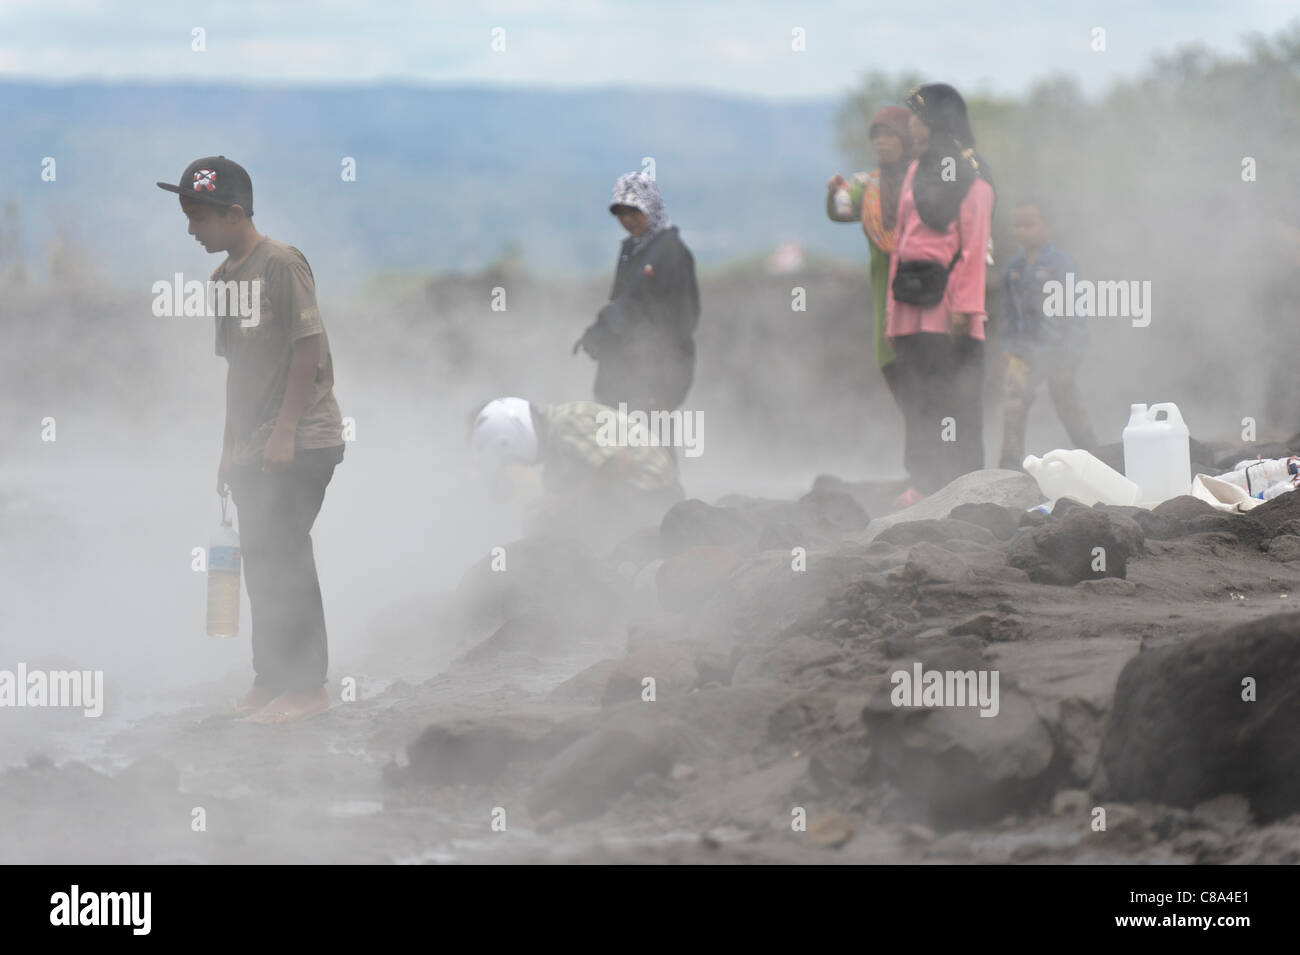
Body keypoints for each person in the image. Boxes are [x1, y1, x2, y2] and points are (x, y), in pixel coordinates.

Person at [157, 156, 344, 725]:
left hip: (304, 437)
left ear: (234, 213)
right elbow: (237, 370)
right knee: (261, 560)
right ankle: (272, 679)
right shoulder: (223, 280)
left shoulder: (281, 265)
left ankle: (308, 687)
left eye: (199, 217)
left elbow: (307, 348)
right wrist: (228, 446)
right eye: (187, 216)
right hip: (255, 445)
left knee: (285, 554)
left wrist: (285, 431)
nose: (191, 229)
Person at [886, 84, 995, 508]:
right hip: (910, 301)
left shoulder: (971, 174)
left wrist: (964, 308)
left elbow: (973, 247)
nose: (909, 125)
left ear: (933, 121)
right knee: (917, 396)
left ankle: (961, 483)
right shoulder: (918, 169)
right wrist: (891, 310)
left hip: (947, 306)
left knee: (955, 398)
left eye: (915, 117)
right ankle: (924, 482)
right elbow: (902, 239)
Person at [471, 397, 683, 550]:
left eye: (514, 458)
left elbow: (621, 464)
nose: (521, 464)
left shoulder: (566, 423)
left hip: (652, 497)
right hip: (644, 496)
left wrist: (566, 503)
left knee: (558, 531)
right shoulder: (557, 437)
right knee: (550, 522)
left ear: (515, 438)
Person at [574, 173, 700, 418]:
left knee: (651, 448)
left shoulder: (671, 251)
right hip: (622, 377)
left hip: (656, 380)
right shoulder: (631, 250)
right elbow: (621, 305)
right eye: (620, 213)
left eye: (634, 211)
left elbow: (683, 321)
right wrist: (602, 387)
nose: (627, 220)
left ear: (651, 207)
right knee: (615, 449)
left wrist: (659, 381)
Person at [997, 197, 1098, 469]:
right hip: (1022, 350)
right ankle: (1009, 463)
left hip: (1057, 349)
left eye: (1028, 224)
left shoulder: (1060, 264)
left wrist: (1073, 350)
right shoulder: (1013, 269)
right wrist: (1006, 344)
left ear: (1047, 227)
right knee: (1014, 403)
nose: (1021, 230)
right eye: (1016, 225)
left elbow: (1075, 309)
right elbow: (1008, 311)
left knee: (1068, 404)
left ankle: (1093, 457)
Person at [825, 105, 915, 404]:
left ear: (907, 138)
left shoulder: (924, 185)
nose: (881, 142)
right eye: (876, 135)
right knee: (903, 394)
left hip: (922, 300)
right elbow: (841, 212)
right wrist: (835, 193)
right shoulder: (868, 186)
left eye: (890, 135)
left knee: (929, 398)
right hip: (884, 302)